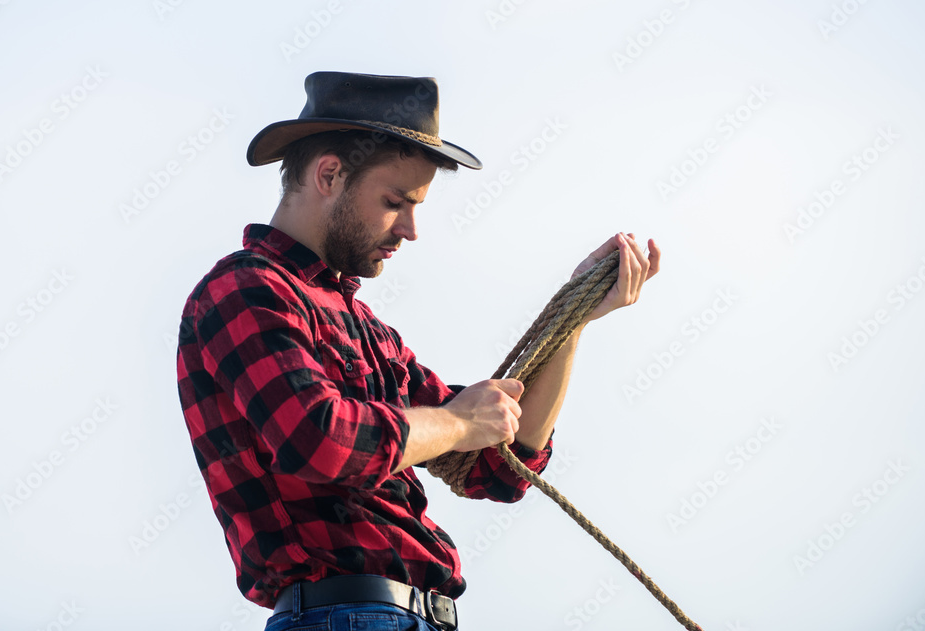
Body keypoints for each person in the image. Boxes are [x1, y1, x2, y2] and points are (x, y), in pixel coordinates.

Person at [175, 71, 660, 631]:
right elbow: (319, 440)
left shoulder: (369, 330)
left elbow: (498, 468)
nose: (410, 229)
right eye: (395, 202)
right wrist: (456, 422)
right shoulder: (245, 289)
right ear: (330, 173)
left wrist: (572, 324)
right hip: (344, 614)